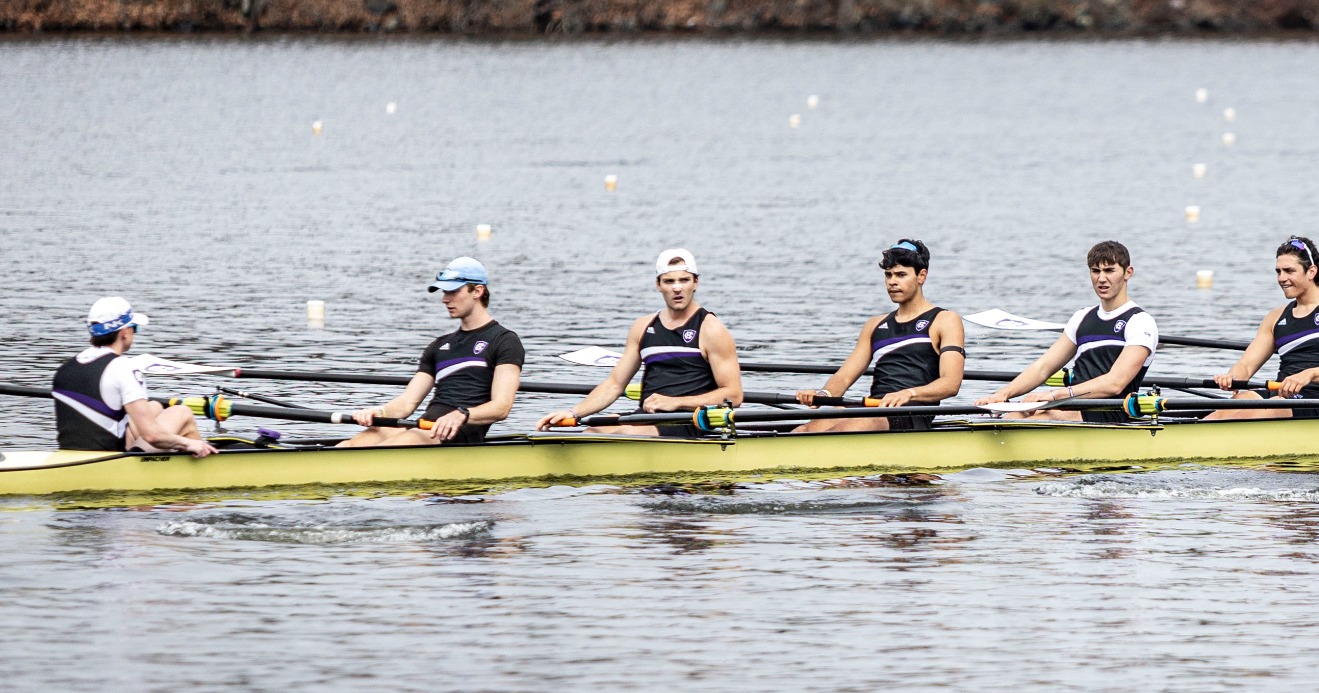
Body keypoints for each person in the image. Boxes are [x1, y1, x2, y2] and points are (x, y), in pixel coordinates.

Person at [536, 249, 743, 437]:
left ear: (695, 283)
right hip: (647, 415)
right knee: (593, 430)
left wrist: (676, 402)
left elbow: (733, 394)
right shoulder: (642, 327)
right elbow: (615, 385)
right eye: (669, 281)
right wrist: (573, 412)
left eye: (684, 280)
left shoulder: (711, 329)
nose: (677, 288)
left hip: (690, 421)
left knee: (620, 434)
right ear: (658, 285)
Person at [337, 257, 524, 447]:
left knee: (396, 443)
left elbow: (502, 407)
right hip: (428, 426)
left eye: (452, 291)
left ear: (477, 291)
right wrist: (379, 412)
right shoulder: (439, 345)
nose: (445, 299)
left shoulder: (504, 341)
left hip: (461, 430)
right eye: (444, 292)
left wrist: (462, 414)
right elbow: (407, 402)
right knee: (350, 445)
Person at [793, 240, 967, 433]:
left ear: (921, 276)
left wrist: (909, 394)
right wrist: (822, 394)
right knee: (805, 430)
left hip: (913, 412)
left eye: (901, 275)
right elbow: (843, 377)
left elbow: (951, 383)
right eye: (888, 275)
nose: (892, 281)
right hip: (875, 407)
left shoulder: (945, 320)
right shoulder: (874, 325)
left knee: (847, 428)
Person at [975, 240, 1157, 422]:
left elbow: (1114, 384)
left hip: (1111, 411)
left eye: (1109, 270)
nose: (1101, 278)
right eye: (1095, 271)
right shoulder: (1082, 318)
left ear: (1128, 273)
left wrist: (1055, 395)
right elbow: (1043, 368)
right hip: (1072, 406)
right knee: (1014, 415)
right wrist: (1002, 394)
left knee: (1041, 417)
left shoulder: (1140, 321)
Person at [1204, 237, 1319, 421]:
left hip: (1318, 401)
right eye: (1278, 271)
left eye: (1289, 271)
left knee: (1258, 410)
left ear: (1311, 271)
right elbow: (1246, 365)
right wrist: (1232, 378)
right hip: (1279, 393)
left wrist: (1308, 374)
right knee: (1236, 403)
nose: (1282, 278)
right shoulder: (1275, 317)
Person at [52, 297, 216, 456]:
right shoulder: (123, 367)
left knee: (155, 407)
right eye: (134, 328)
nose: (134, 333)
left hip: (70, 453)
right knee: (183, 413)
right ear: (124, 332)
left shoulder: (65, 368)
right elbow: (153, 436)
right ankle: (202, 464)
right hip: (111, 459)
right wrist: (188, 443)